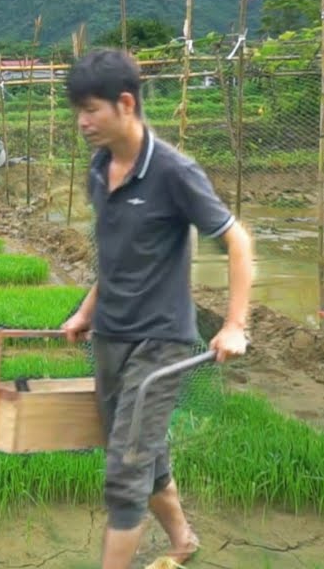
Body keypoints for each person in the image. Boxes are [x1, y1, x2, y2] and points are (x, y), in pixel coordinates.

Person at [59, 49, 253, 569]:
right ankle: (183, 541)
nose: (81, 122)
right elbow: (115, 255)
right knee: (142, 452)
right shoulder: (100, 169)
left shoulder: (174, 172)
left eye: (91, 109)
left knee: (125, 472)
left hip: (160, 342)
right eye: (77, 110)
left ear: (125, 104)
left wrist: (234, 324)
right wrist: (86, 311)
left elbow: (238, 241)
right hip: (110, 338)